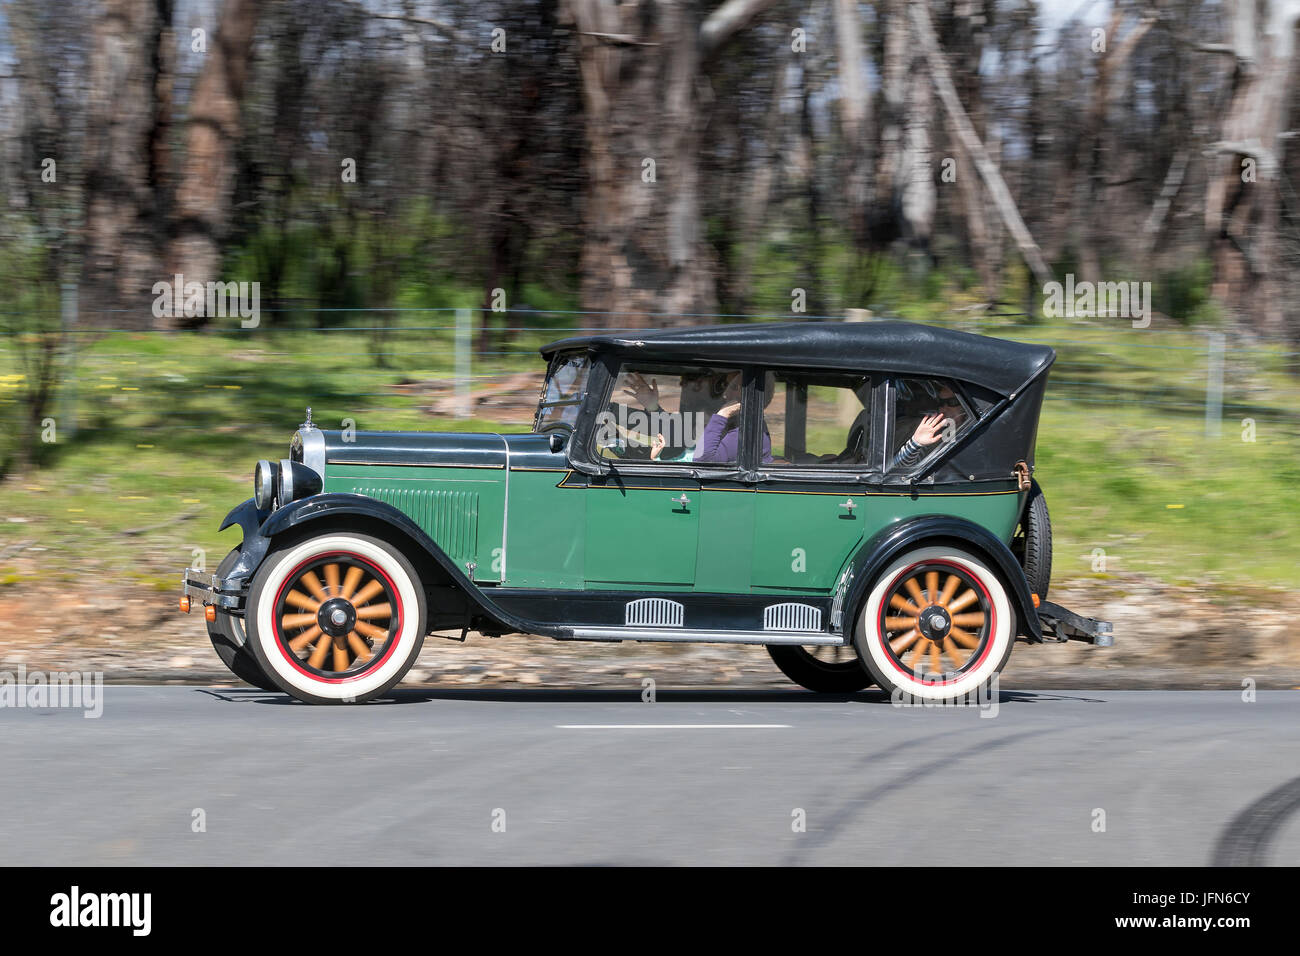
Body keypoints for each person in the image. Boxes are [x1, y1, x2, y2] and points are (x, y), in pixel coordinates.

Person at [694, 371, 773, 464]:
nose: (725, 394)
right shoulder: (750, 425)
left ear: (750, 394)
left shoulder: (747, 432)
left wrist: (723, 413)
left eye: (734, 387)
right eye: (725, 385)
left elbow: (702, 461)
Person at [891, 385, 966, 471]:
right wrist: (916, 443)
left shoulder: (978, 434)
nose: (943, 409)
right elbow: (896, 471)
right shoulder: (935, 436)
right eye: (941, 403)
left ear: (965, 404)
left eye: (952, 402)